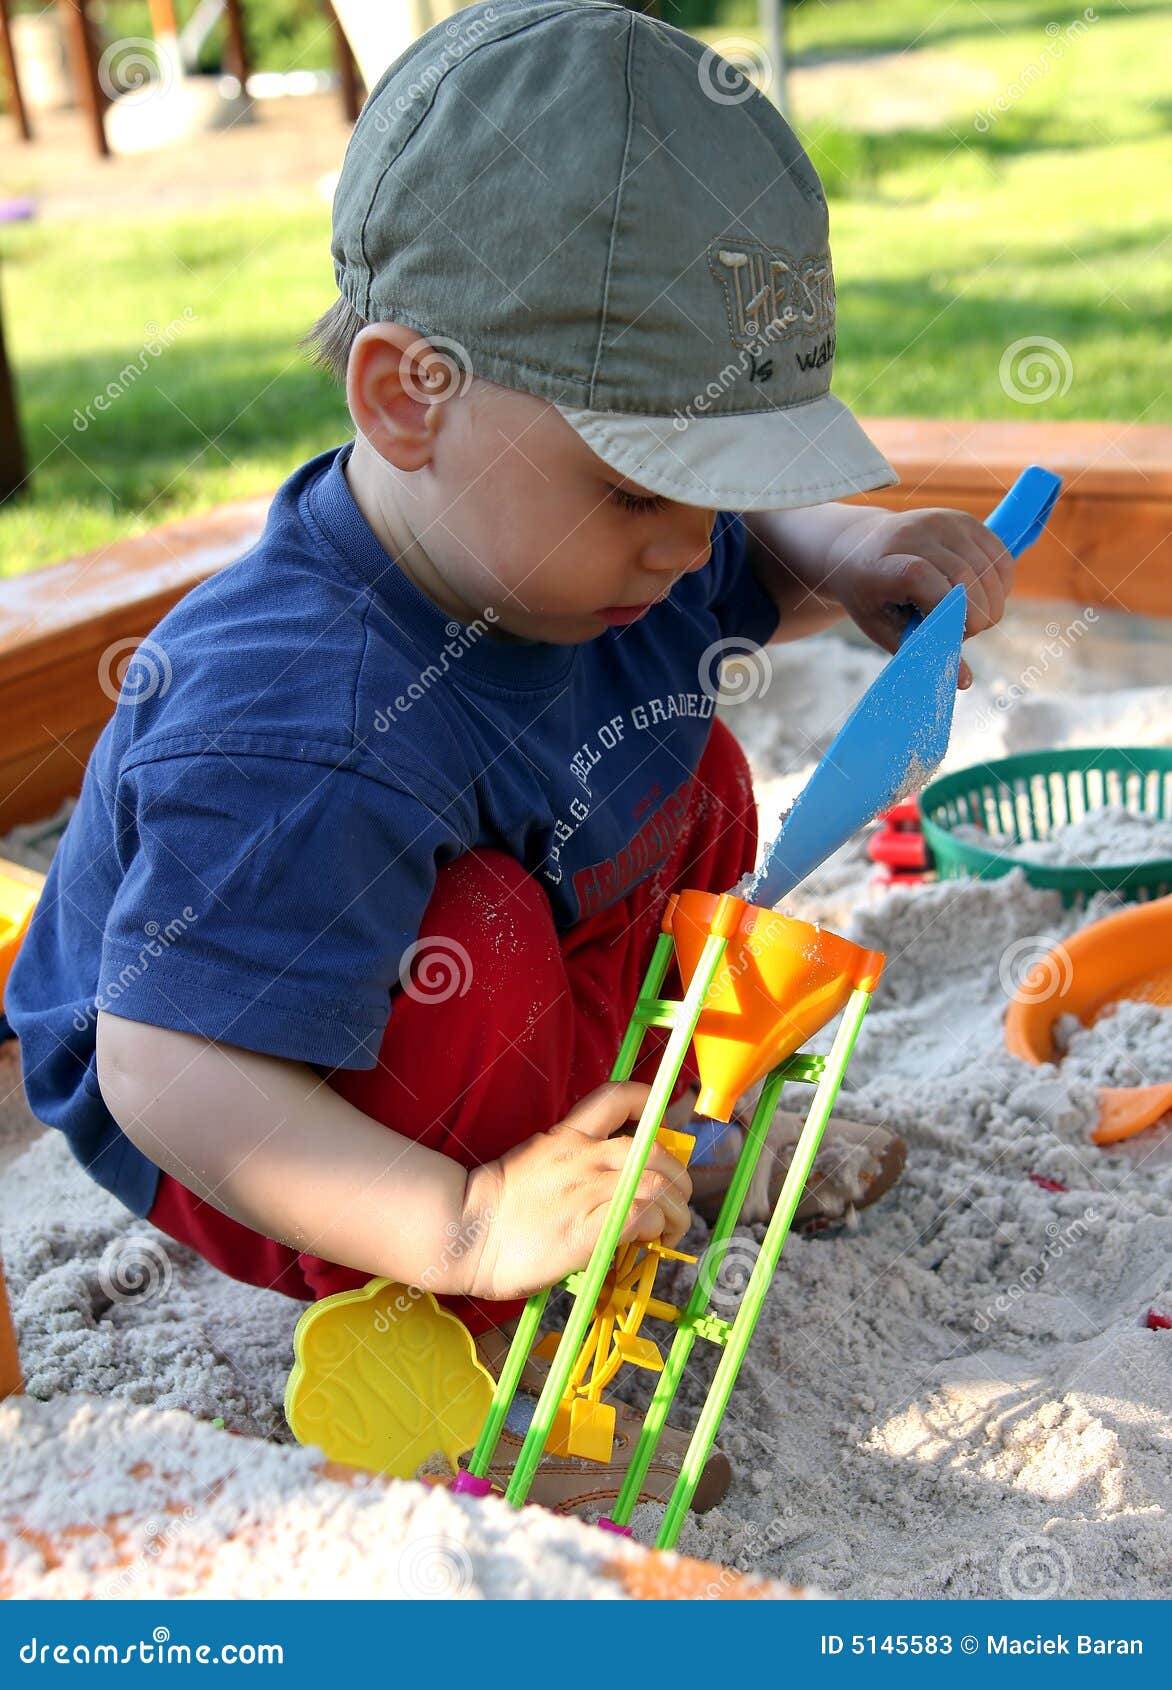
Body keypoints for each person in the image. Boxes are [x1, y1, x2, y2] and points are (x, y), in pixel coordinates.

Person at [6, 0, 1014, 1518]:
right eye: (643, 485)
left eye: (726, 480)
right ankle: (510, 1328)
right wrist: (465, 1222)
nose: (693, 544)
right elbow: (162, 1064)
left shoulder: (571, 542)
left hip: (518, 914)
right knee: (470, 952)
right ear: (407, 396)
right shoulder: (303, 722)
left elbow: (740, 547)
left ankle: (633, 1126)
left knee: (702, 776)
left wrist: (860, 551)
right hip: (259, 1089)